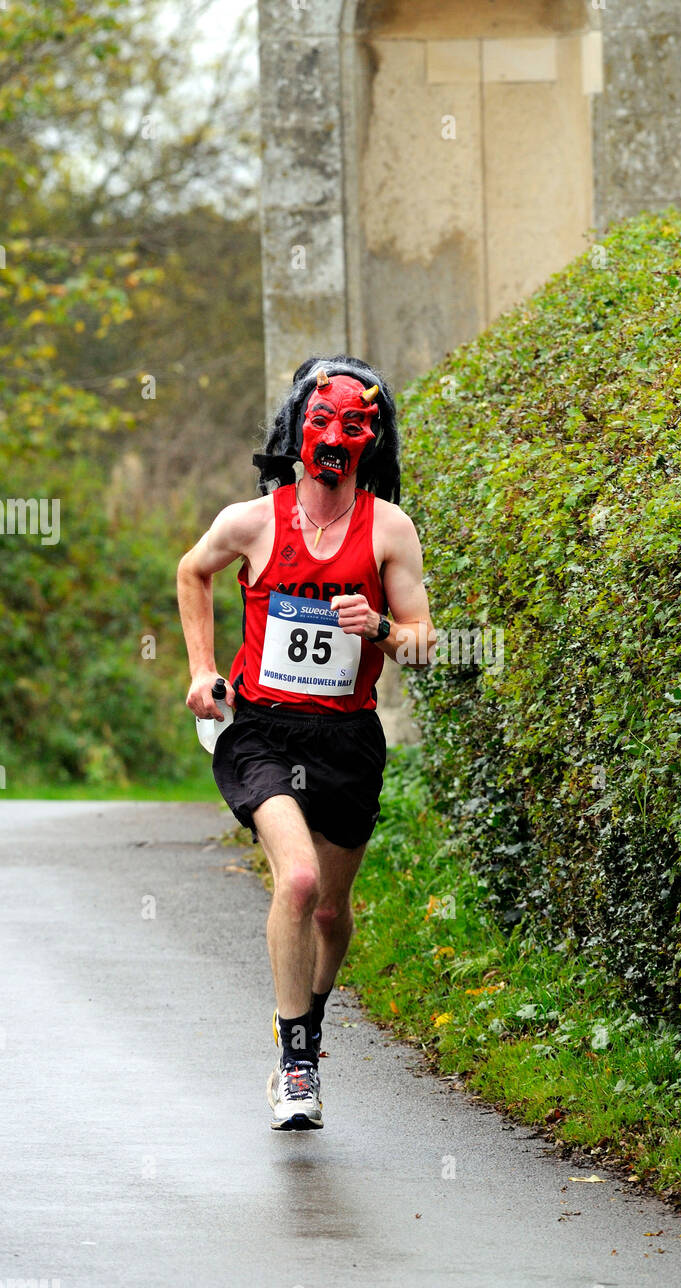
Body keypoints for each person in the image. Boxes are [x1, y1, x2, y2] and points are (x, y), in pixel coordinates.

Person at [177, 354, 434, 1130]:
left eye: (353, 426)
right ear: (296, 431)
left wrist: (383, 629)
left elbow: (425, 645)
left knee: (329, 909)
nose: (334, 439)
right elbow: (194, 572)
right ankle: (296, 1066)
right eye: (321, 422)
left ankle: (312, 1021)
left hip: (347, 739)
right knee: (295, 883)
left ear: (370, 443)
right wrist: (200, 671)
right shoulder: (253, 521)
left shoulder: (390, 530)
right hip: (258, 728)